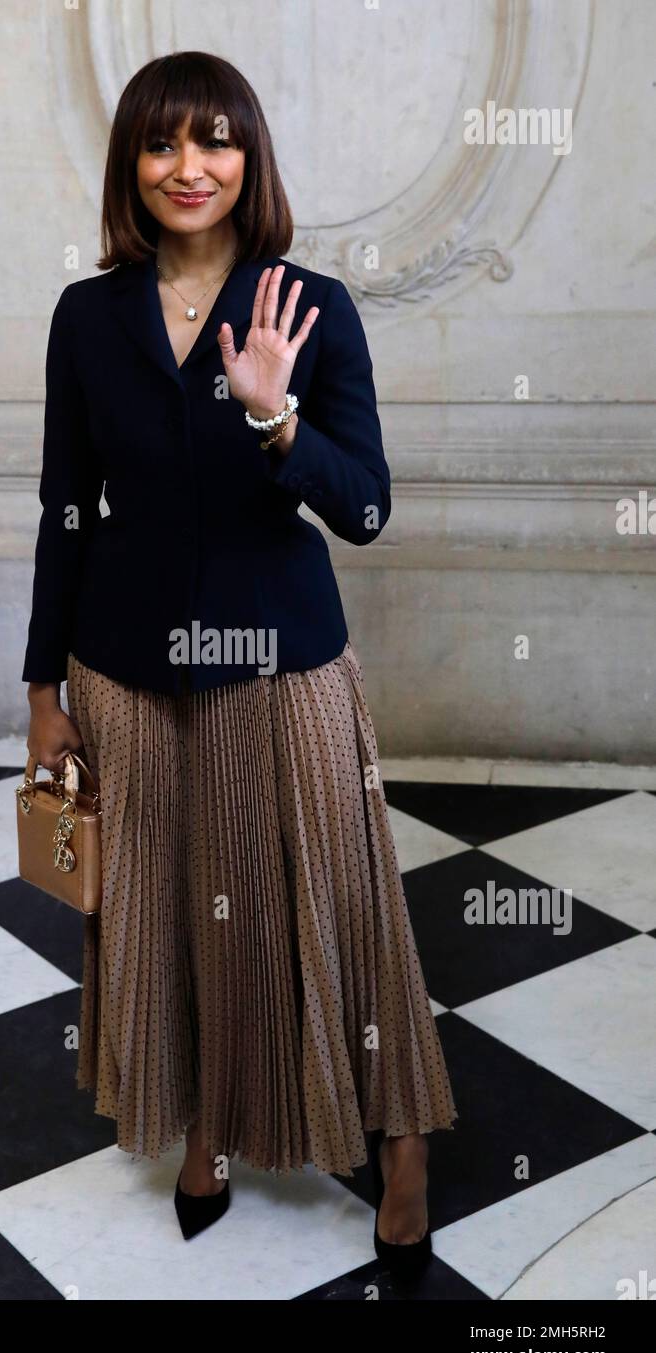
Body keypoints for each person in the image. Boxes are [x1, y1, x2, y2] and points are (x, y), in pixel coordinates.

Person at [22, 50, 457, 1267]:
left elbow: (365, 508)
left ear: (249, 158)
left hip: (281, 668)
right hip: (123, 670)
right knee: (169, 915)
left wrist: (276, 419)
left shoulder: (308, 306)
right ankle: (206, 1118)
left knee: (334, 909)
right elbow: (64, 504)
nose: (187, 166)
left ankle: (401, 1129)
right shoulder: (86, 315)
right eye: (161, 144)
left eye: (213, 140)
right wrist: (41, 690)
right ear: (131, 166)